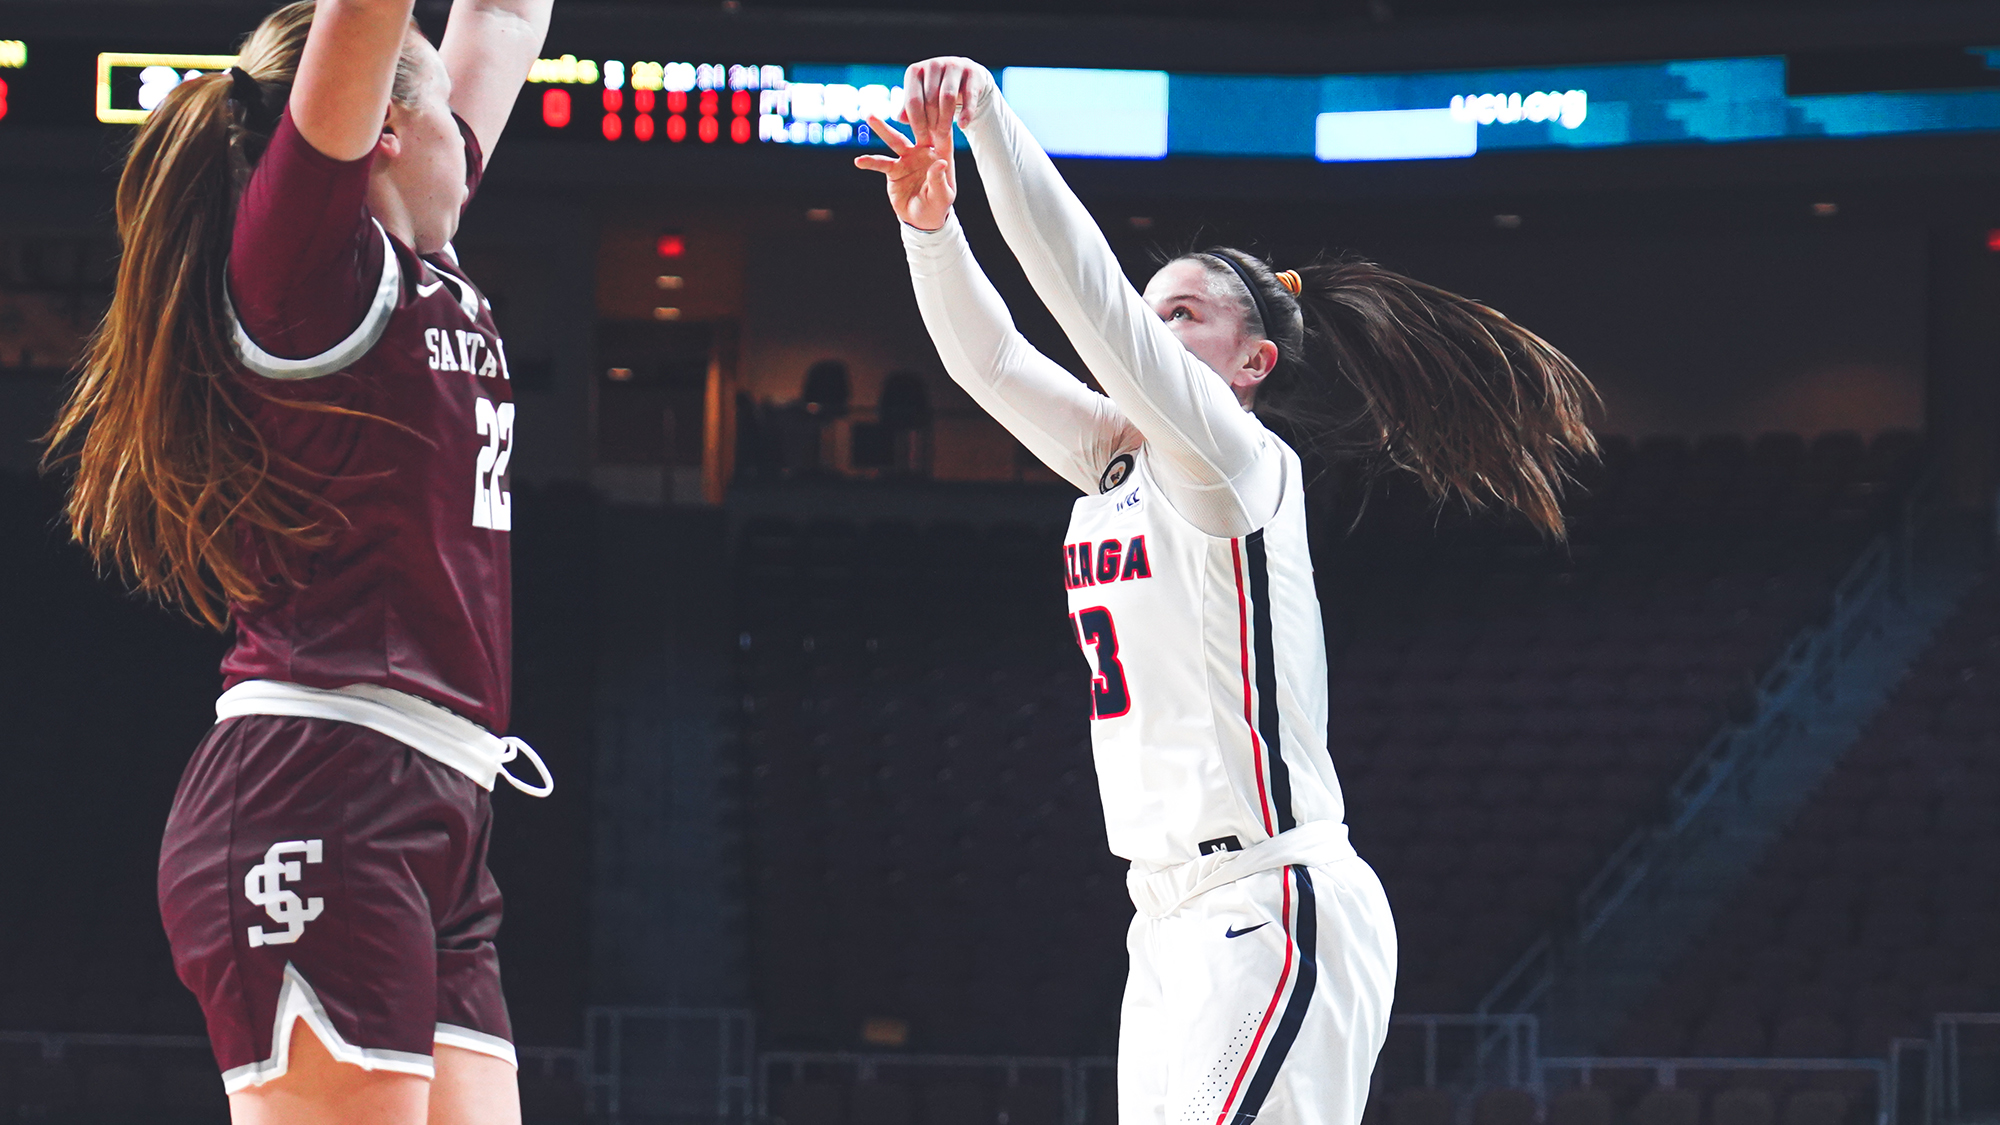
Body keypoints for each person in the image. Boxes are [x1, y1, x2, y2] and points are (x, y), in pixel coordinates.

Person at [858, 58, 1597, 1125]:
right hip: (1165, 920)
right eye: (1153, 312)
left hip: (1268, 900)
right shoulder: (1119, 461)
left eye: (1185, 315)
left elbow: (1087, 302)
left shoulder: (1236, 463)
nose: (1154, 332)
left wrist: (989, 125)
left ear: (1250, 362)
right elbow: (991, 362)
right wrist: (930, 231)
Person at [42, 1, 552, 1121]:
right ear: (379, 125)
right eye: (442, 123)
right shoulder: (301, 267)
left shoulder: (422, 256)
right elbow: (364, 16)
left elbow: (507, 16)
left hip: (439, 803)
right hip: (321, 792)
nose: (469, 146)